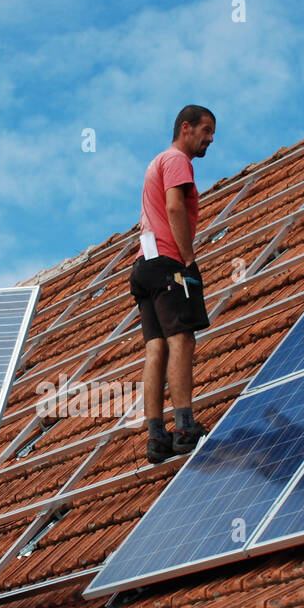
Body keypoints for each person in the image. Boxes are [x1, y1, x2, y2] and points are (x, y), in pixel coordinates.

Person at [130, 104, 215, 465]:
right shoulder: (178, 160)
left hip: (143, 267)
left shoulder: (154, 163)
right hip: (168, 263)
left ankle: (155, 435)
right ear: (186, 128)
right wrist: (188, 258)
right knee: (182, 338)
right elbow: (175, 208)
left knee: (155, 347)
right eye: (206, 130)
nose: (210, 139)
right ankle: (184, 425)